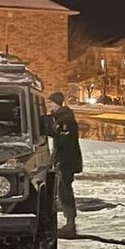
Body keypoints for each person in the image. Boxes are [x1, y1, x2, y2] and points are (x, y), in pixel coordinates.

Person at [46, 92, 82, 238]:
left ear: (58, 103)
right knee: (62, 191)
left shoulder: (65, 119)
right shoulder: (61, 118)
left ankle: (70, 225)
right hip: (63, 160)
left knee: (64, 191)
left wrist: (58, 161)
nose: (50, 106)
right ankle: (69, 224)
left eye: (51, 103)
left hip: (66, 161)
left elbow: (63, 141)